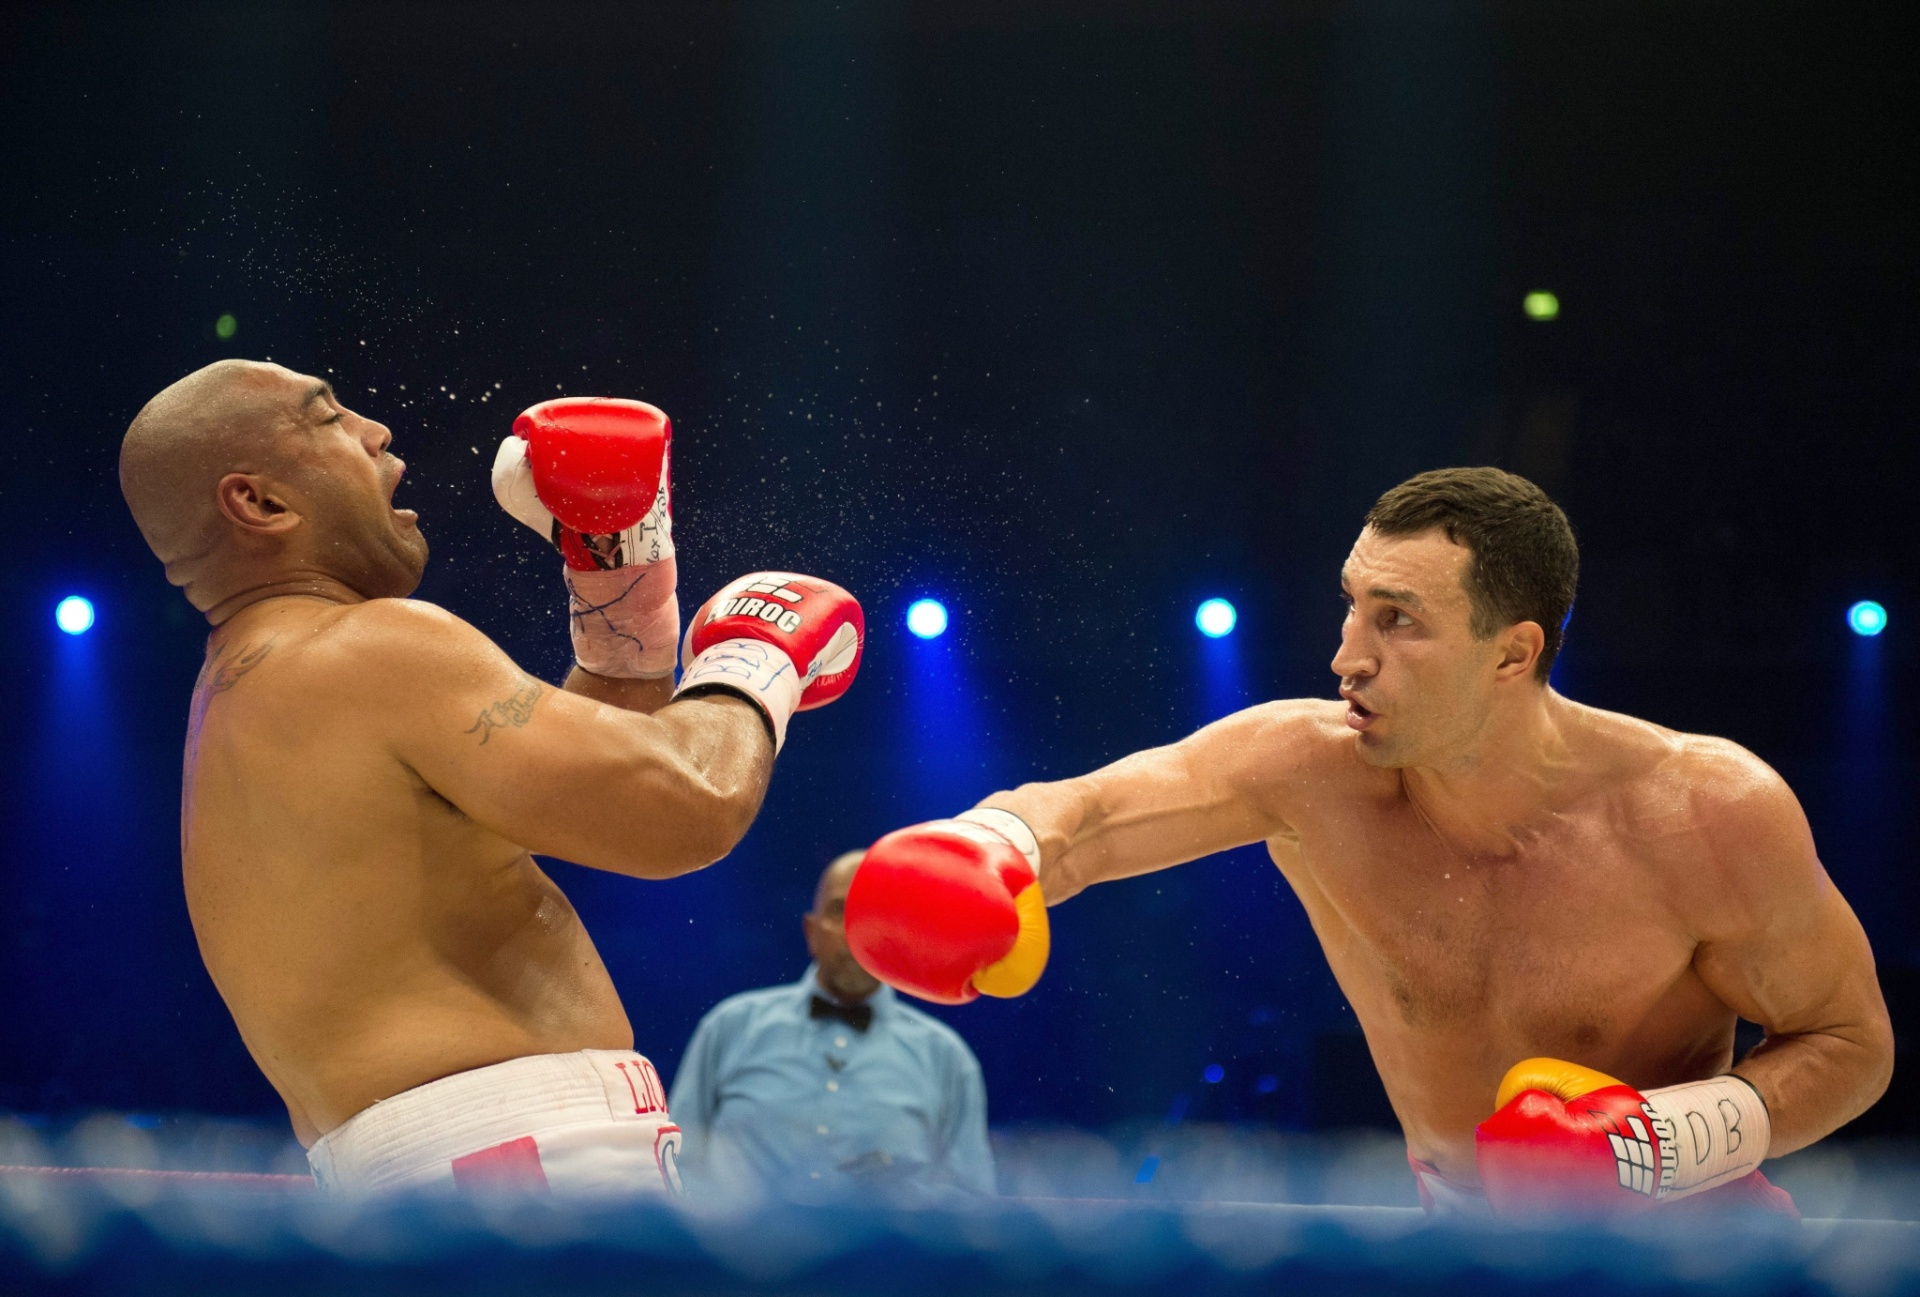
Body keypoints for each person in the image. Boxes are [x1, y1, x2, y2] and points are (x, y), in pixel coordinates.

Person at [844, 467, 1892, 1216]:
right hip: (1457, 1237)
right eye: (1352, 604)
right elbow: (1085, 818)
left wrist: (1654, 1147)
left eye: (1398, 620)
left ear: (1512, 653)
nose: (1347, 654)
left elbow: (1852, 1046)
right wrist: (984, 843)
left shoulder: (1704, 811)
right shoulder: (1307, 769)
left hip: (1693, 1249)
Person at [118, 360, 864, 1194]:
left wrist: (622, 577)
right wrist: (753, 660)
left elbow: (596, 790)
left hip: (455, 1170)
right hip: (523, 1169)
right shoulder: (370, 647)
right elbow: (684, 806)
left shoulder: (249, 699)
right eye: (327, 417)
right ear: (260, 502)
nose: (376, 429)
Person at [668, 852, 994, 1200]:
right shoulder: (728, 1028)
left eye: (877, 914)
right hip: (733, 1252)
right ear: (811, 931)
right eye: (841, 911)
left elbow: (976, 1205)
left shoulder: (947, 1059)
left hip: (885, 1255)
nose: (857, 932)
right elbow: (673, 1171)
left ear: (902, 935)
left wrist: (908, 1199)